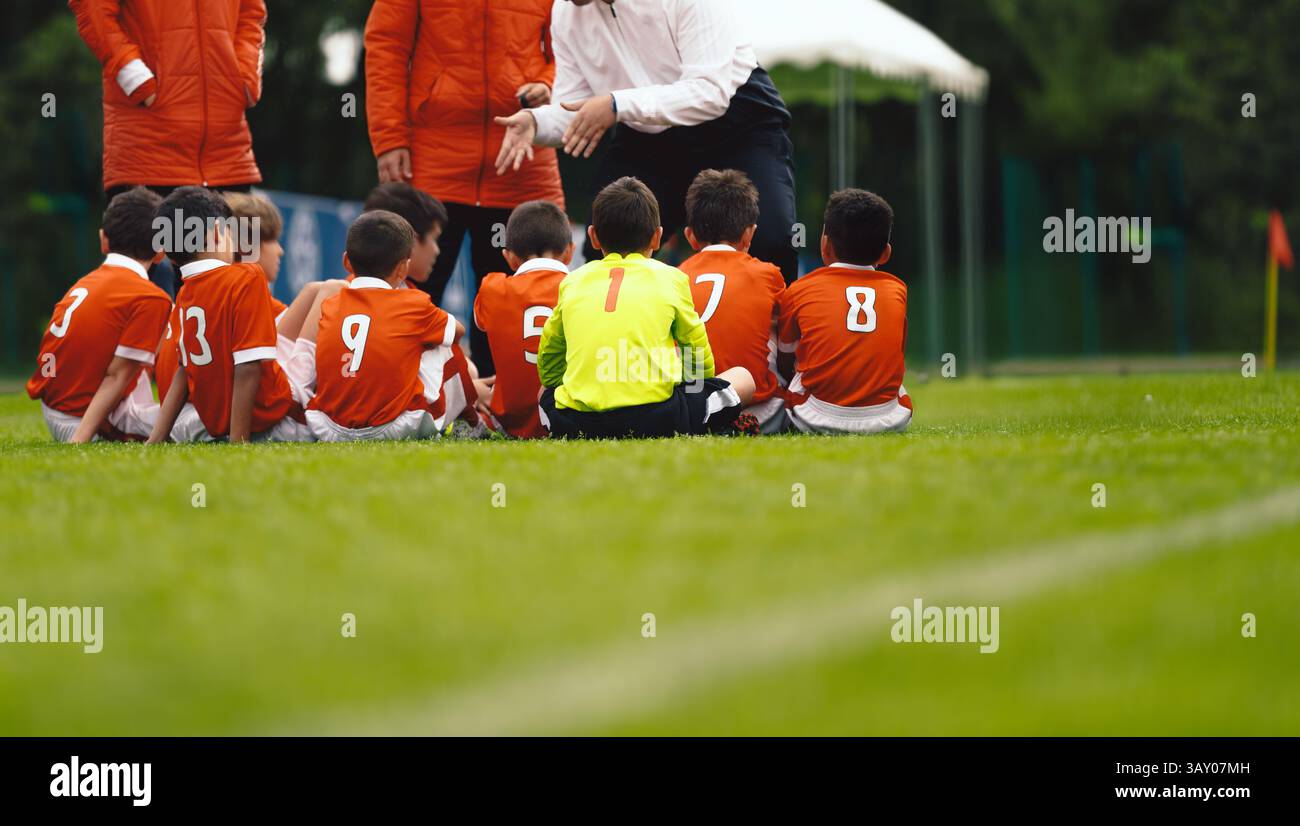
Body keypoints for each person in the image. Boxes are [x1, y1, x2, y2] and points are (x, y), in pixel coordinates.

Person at [494, 0, 798, 282]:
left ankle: (782, 339)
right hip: (646, 133)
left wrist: (617, 105)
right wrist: (536, 122)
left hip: (738, 124)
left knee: (771, 240)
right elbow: (576, 109)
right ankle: (615, 338)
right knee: (605, 247)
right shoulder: (566, 12)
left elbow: (709, 92)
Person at [364, 0, 565, 375]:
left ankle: (512, 404)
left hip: (521, 155)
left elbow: (574, 43)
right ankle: (401, 394)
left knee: (520, 295)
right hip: (435, 156)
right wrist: (390, 137)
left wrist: (550, 83)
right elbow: (386, 47)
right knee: (412, 289)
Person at [537, 177, 757, 438]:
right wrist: (691, 393)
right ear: (657, 237)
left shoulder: (572, 281)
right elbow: (696, 351)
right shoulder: (672, 278)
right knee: (743, 378)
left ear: (593, 237)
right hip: (658, 418)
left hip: (579, 422)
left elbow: (549, 358)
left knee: (542, 392)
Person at [146, 187, 326, 444]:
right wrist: (238, 441)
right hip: (274, 417)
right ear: (219, 232)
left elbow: (184, 372)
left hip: (217, 423)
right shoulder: (246, 276)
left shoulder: (186, 294)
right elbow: (249, 366)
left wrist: (156, 439)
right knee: (327, 291)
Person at [307, 211, 468, 442]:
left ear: (346, 262)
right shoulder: (413, 302)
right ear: (403, 269)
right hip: (393, 426)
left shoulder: (330, 304)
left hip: (327, 426)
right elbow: (458, 331)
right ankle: (471, 421)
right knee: (443, 343)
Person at [26, 187, 171, 443]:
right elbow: (117, 375)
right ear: (161, 251)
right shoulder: (149, 297)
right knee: (197, 421)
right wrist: (79, 441)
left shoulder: (87, 282)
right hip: (84, 420)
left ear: (103, 239)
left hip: (56, 407)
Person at [776, 190, 913, 434]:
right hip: (889, 419)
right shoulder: (897, 289)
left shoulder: (800, 289)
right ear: (886, 253)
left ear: (825, 246)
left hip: (814, 417)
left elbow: (784, 359)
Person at [678, 170, 788, 433]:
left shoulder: (675, 276)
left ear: (690, 236)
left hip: (691, 407)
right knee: (775, 326)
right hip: (758, 409)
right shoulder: (769, 274)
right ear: (749, 234)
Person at [474, 200, 572, 438]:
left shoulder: (492, 287)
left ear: (509, 257)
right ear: (569, 251)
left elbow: (480, 322)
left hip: (506, 420)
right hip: (567, 415)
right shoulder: (584, 289)